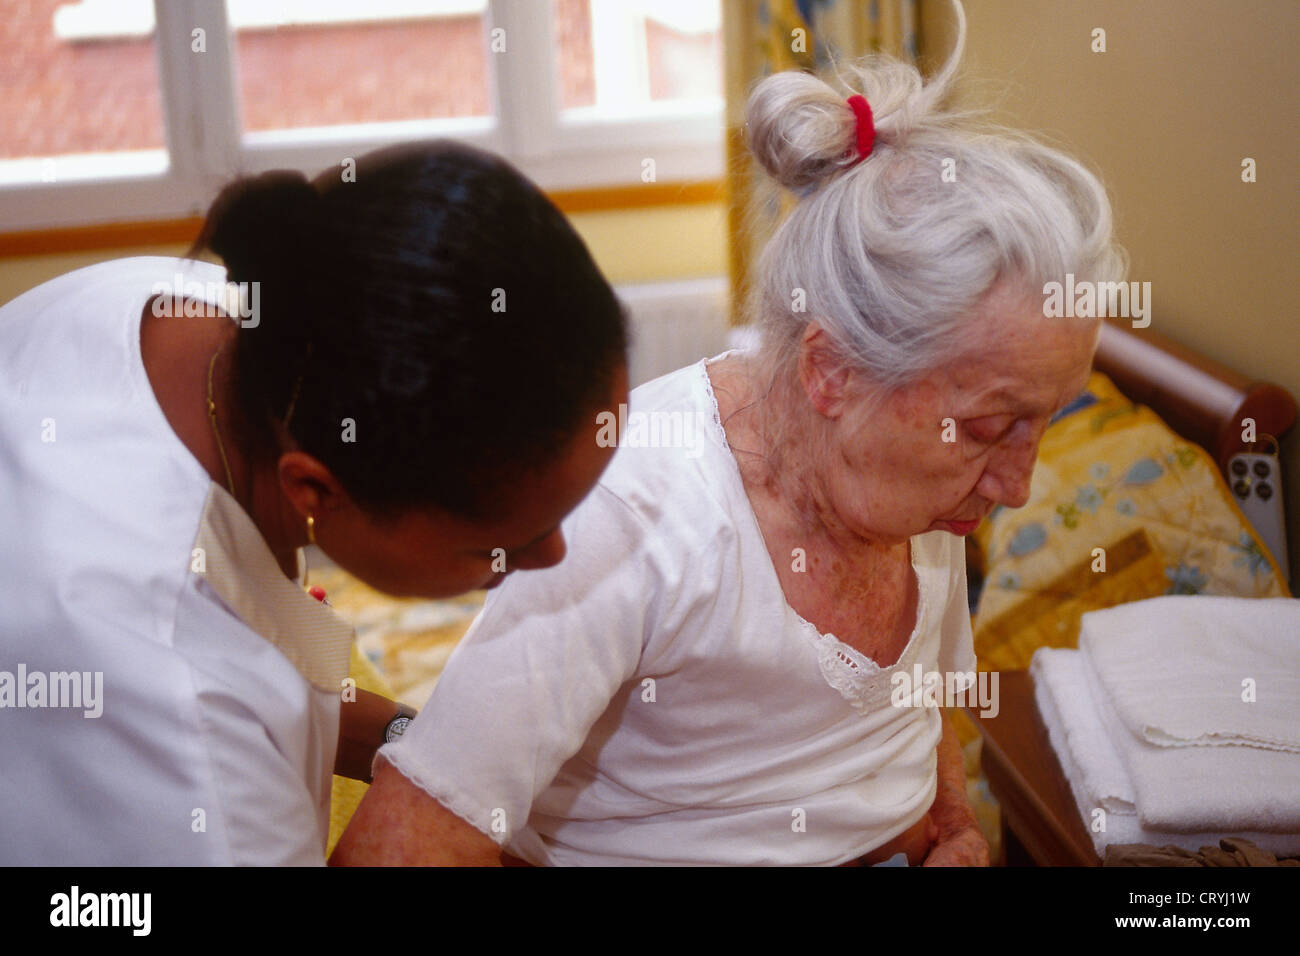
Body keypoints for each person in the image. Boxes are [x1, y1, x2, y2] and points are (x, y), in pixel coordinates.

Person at [333, 0, 1125, 867]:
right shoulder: (630, 513)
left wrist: (956, 824)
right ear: (832, 372)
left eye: (1046, 422)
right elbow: (406, 842)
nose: (1018, 483)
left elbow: (916, 700)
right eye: (987, 429)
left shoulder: (920, 492)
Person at [0, 142, 629, 864]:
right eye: (504, 543)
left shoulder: (221, 317)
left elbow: (274, 649)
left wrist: (418, 753)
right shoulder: (181, 710)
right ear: (316, 491)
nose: (553, 556)